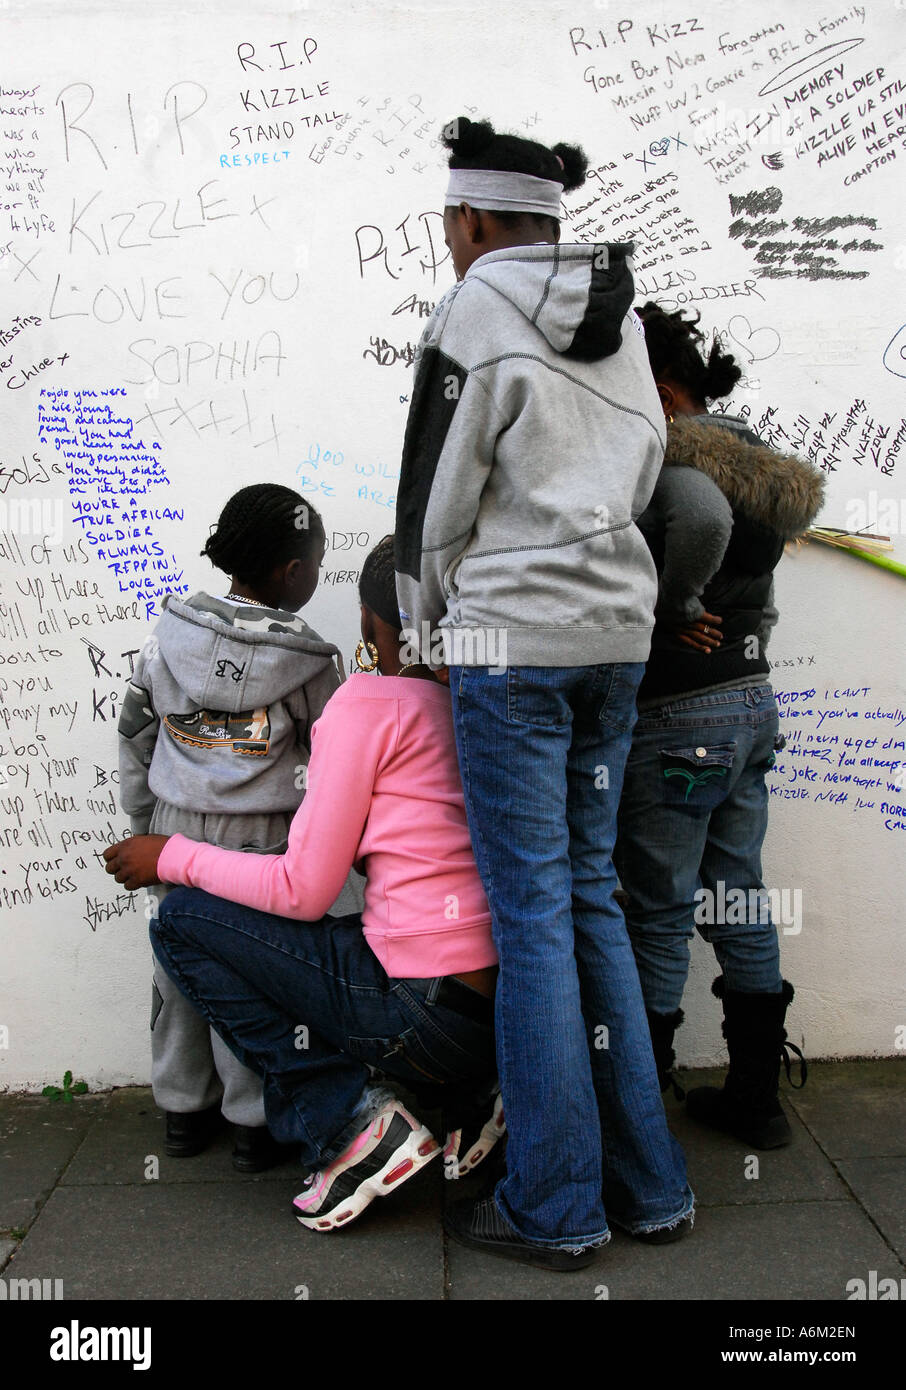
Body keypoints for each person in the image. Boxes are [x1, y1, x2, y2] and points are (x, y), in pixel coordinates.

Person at [394, 116, 693, 1268]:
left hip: (512, 648)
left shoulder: (474, 308)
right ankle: (652, 1190)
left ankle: (557, 1205)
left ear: (469, 219)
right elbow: (654, 469)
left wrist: (425, 628)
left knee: (530, 922)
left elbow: (433, 494)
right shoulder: (620, 321)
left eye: (449, 222)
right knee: (590, 901)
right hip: (615, 637)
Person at [104, 536, 501, 1232]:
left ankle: (350, 1120)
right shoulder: (487, 696)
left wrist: (171, 855)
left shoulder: (367, 704)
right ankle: (477, 1100)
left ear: (369, 622)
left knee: (183, 923)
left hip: (417, 1013)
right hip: (498, 1018)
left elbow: (301, 890)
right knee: (341, 939)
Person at [614, 303, 824, 1148]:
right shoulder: (761, 467)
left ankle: (640, 1112)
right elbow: (758, 603)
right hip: (750, 704)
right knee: (739, 894)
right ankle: (755, 1099)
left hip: (676, 718)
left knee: (659, 910)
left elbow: (698, 522)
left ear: (663, 391)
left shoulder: (675, 461)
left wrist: (673, 604)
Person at [117, 483, 361, 1173]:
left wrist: (146, 827)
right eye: (316, 561)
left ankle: (181, 1112)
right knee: (252, 977)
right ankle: (254, 1123)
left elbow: (135, 735)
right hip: (261, 846)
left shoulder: (166, 637)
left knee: (177, 971)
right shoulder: (312, 662)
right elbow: (332, 758)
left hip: (171, 834)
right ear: (292, 573)